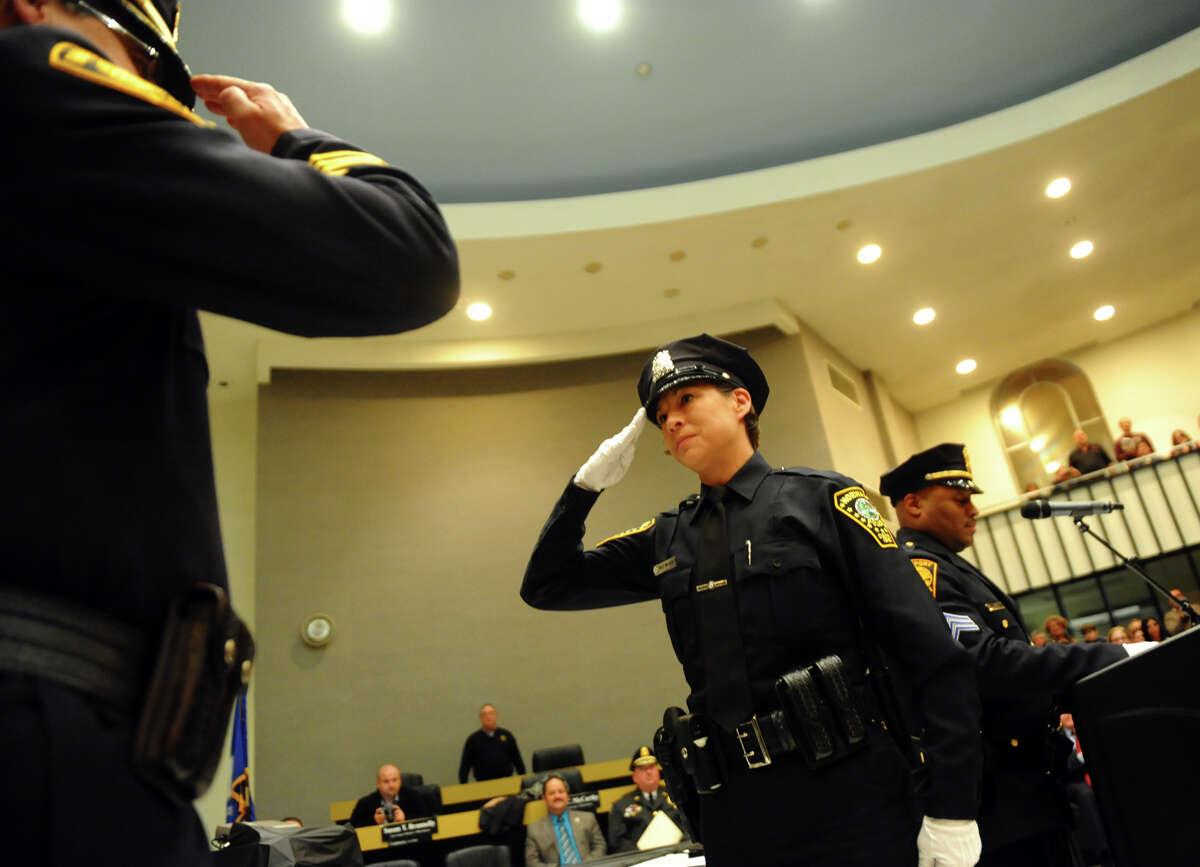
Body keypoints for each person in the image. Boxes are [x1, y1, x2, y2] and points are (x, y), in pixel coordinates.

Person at [0, 2, 459, 865]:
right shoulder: (34, 78)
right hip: (48, 748)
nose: (141, 92)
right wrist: (296, 139)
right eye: (138, 59)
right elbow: (409, 249)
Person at [522, 334, 983, 867]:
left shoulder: (823, 502)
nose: (670, 420)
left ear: (740, 402)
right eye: (661, 415)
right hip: (734, 811)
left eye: (686, 399)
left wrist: (952, 810)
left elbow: (931, 654)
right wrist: (583, 489)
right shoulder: (669, 535)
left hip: (847, 794)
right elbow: (547, 585)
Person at [882, 443, 1131, 867]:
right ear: (913, 505)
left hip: (1033, 781)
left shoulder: (949, 566)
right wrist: (1116, 655)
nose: (973, 511)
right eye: (960, 501)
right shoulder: (919, 571)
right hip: (1001, 793)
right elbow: (985, 664)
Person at [607, 745, 688, 853]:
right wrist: (639, 855)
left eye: (651, 767)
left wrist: (681, 848)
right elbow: (617, 841)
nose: (648, 772)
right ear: (634, 777)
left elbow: (689, 826)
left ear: (658, 772)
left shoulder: (676, 796)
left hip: (680, 854)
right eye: (642, 769)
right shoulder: (621, 805)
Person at [524, 773, 606, 866]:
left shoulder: (588, 818)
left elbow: (600, 847)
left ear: (567, 795)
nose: (557, 796)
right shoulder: (534, 829)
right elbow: (531, 862)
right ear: (544, 798)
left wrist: (586, 865)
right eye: (552, 793)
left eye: (561, 792)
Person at [458, 703, 526, 783]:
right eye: (484, 714)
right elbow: (464, 768)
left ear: (496, 716)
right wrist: (464, 789)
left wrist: (524, 784)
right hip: (483, 785)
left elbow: (518, 762)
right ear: (481, 718)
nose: (488, 717)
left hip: (506, 782)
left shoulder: (507, 736)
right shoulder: (473, 740)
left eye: (491, 713)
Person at [349, 765, 429, 827]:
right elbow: (353, 827)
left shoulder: (413, 797)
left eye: (394, 780)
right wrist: (374, 821)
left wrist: (406, 818)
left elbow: (427, 818)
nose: (391, 785)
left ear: (400, 781)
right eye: (386, 781)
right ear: (378, 783)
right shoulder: (365, 803)